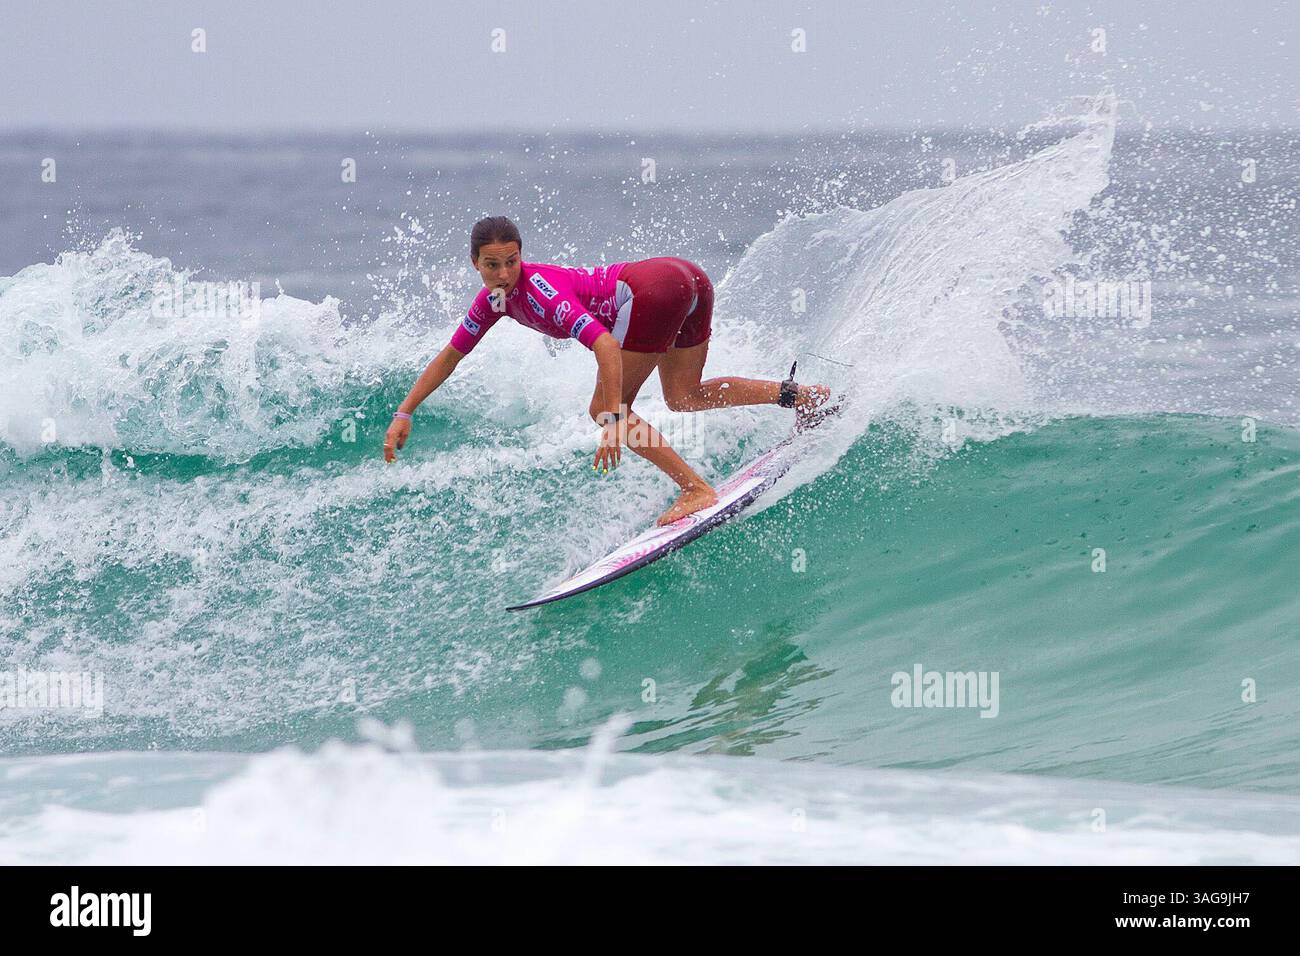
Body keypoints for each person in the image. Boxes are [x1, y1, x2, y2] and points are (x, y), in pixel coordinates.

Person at [384, 216, 831, 526]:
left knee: (602, 406)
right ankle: (803, 397)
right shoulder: (494, 303)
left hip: (655, 291)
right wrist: (405, 411)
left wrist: (615, 418)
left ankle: (695, 489)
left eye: (512, 261)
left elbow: (604, 344)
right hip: (686, 277)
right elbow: (450, 355)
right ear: (475, 264)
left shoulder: (540, 292)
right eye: (492, 265)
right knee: (684, 395)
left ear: (523, 256)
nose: (504, 274)